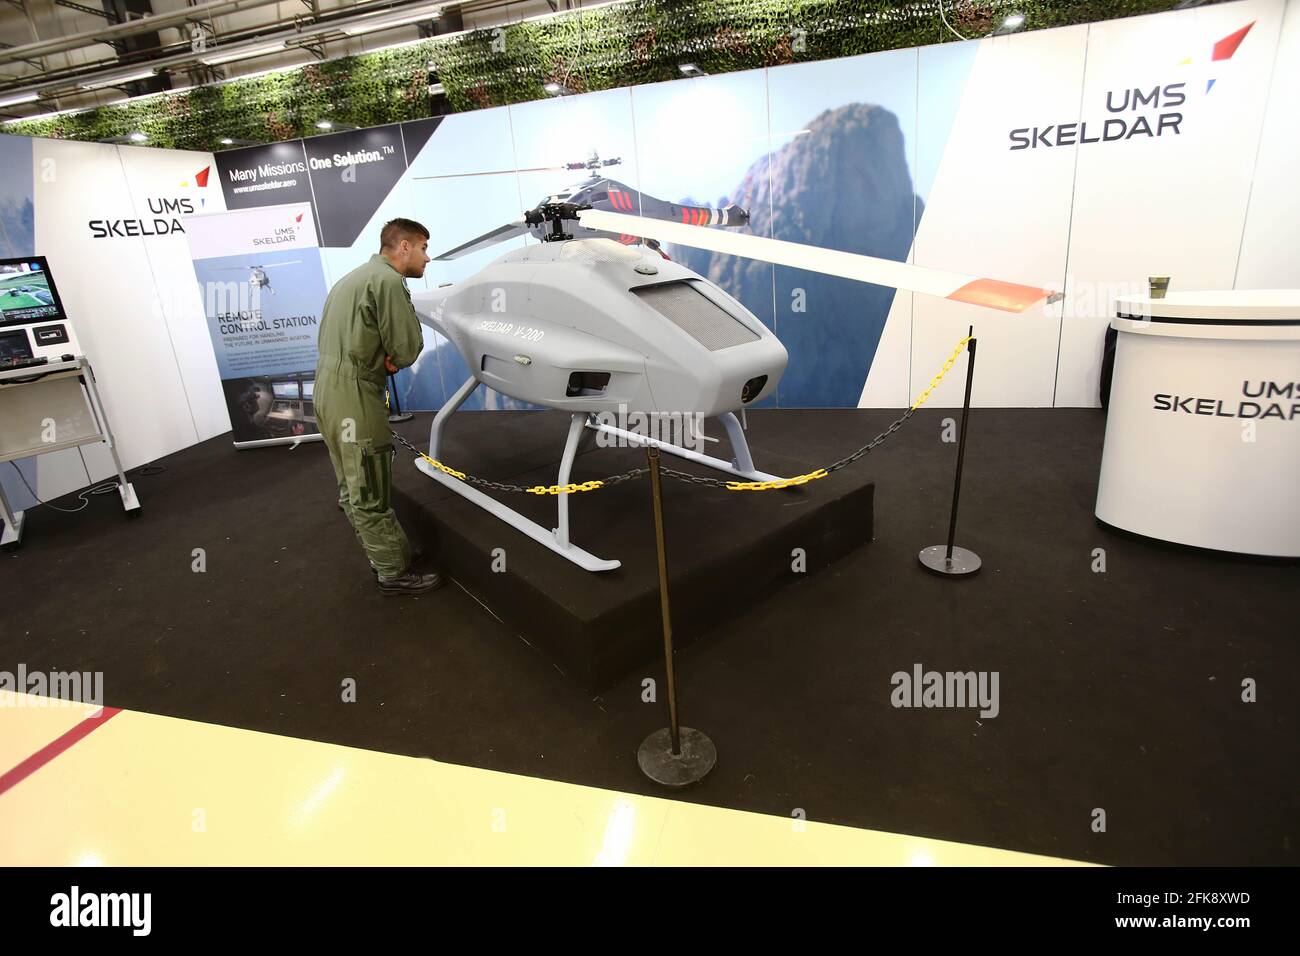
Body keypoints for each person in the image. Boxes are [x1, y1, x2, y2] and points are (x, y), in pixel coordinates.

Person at [315, 218, 443, 595]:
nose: (427, 257)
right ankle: (392, 573)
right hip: (354, 394)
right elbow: (405, 348)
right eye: (423, 247)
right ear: (403, 246)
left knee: (351, 483)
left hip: (329, 391)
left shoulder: (353, 278)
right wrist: (392, 359)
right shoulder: (388, 282)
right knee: (369, 484)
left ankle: (389, 553)